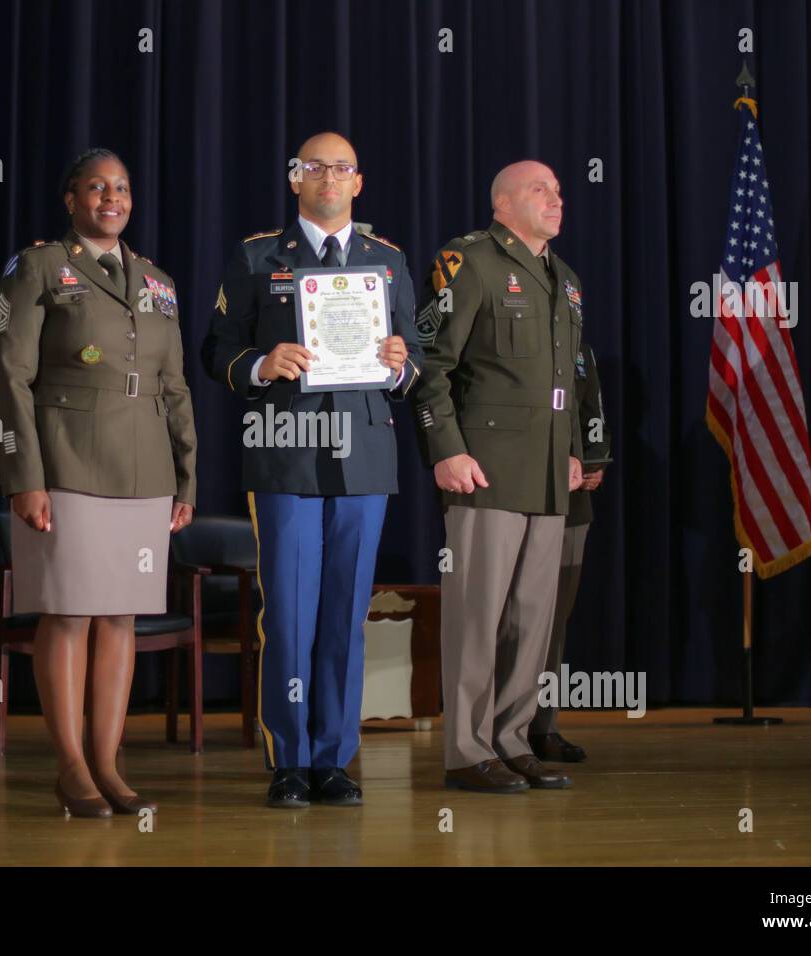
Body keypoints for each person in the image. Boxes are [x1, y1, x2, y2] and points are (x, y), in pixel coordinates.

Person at [203, 131, 422, 808]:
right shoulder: (256, 256)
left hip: (363, 456)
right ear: (294, 179)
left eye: (341, 168)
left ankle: (334, 757)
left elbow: (419, 356)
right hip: (286, 450)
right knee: (291, 614)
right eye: (314, 167)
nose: (328, 176)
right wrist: (262, 365)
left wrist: (398, 363)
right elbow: (217, 349)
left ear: (359, 182)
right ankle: (290, 759)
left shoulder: (388, 261)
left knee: (346, 614)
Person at [0, 148, 197, 818]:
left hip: (144, 469)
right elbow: (9, 375)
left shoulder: (158, 281)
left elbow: (175, 387)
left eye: (123, 187)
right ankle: (70, 765)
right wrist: (25, 475)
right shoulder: (40, 267)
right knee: (70, 612)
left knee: (120, 617)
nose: (113, 197)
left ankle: (107, 762)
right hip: (67, 462)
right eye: (97, 187)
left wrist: (187, 479)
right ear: (71, 198)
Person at [412, 159, 585, 794]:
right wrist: (445, 450)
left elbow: (564, 383)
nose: (557, 199)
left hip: (546, 475)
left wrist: (571, 452)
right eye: (542, 190)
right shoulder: (470, 262)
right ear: (503, 204)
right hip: (482, 471)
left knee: (533, 619)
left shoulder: (563, 280)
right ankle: (465, 751)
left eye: (560, 191)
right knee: (476, 616)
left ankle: (513, 740)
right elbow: (431, 365)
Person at [530, 340, 610, 762]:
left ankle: (543, 726)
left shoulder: (578, 345)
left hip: (572, 495)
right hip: (514, 488)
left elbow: (590, 404)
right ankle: (495, 728)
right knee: (507, 617)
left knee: (554, 620)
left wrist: (594, 460)